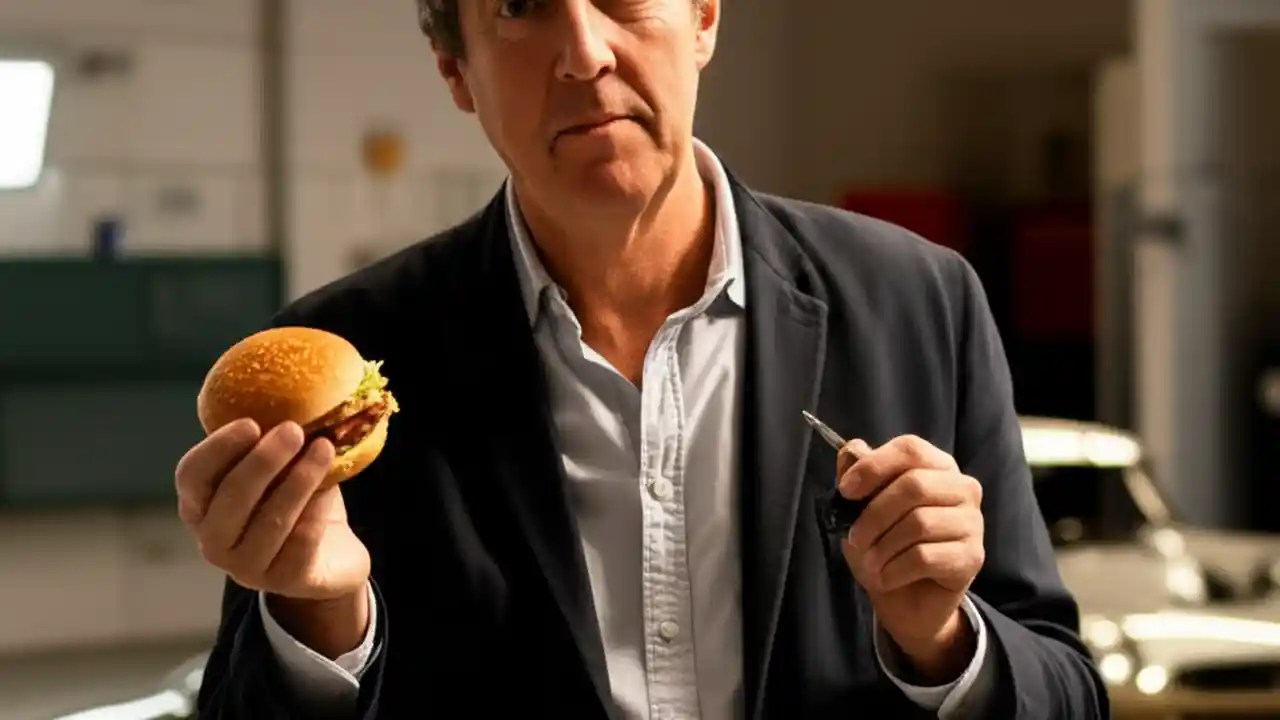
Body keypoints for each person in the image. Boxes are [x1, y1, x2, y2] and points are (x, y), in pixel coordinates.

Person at [176, 0, 1109, 717]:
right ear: (455, 70)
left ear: (703, 15)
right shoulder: (350, 369)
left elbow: (1067, 691)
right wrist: (321, 617)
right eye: (519, 6)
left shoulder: (919, 300)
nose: (585, 52)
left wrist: (940, 638)